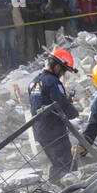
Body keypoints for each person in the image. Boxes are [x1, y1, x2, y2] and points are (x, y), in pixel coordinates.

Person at [28, 49, 80, 182]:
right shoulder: (52, 81)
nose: (63, 73)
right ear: (56, 66)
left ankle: (55, 188)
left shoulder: (33, 82)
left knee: (57, 163)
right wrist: (74, 112)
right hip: (54, 131)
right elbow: (62, 105)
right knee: (67, 165)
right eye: (63, 70)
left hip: (40, 131)